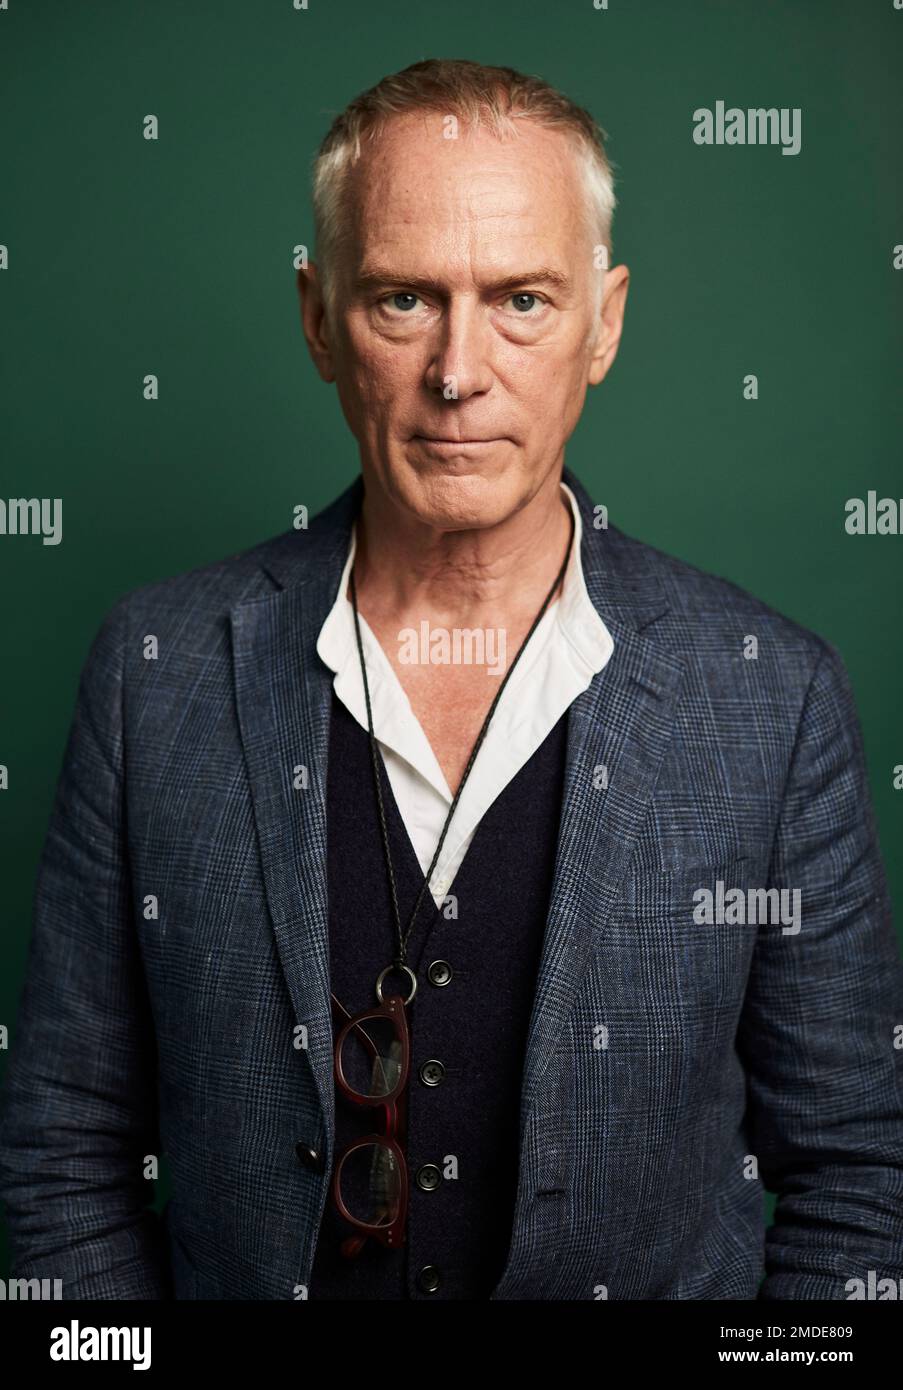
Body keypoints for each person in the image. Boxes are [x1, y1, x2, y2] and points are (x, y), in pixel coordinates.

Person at [1, 58, 902, 1301]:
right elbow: (61, 1153)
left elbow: (860, 1174)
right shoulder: (152, 677)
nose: (458, 370)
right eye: (404, 299)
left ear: (607, 321)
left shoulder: (773, 701)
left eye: (523, 298)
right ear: (319, 318)